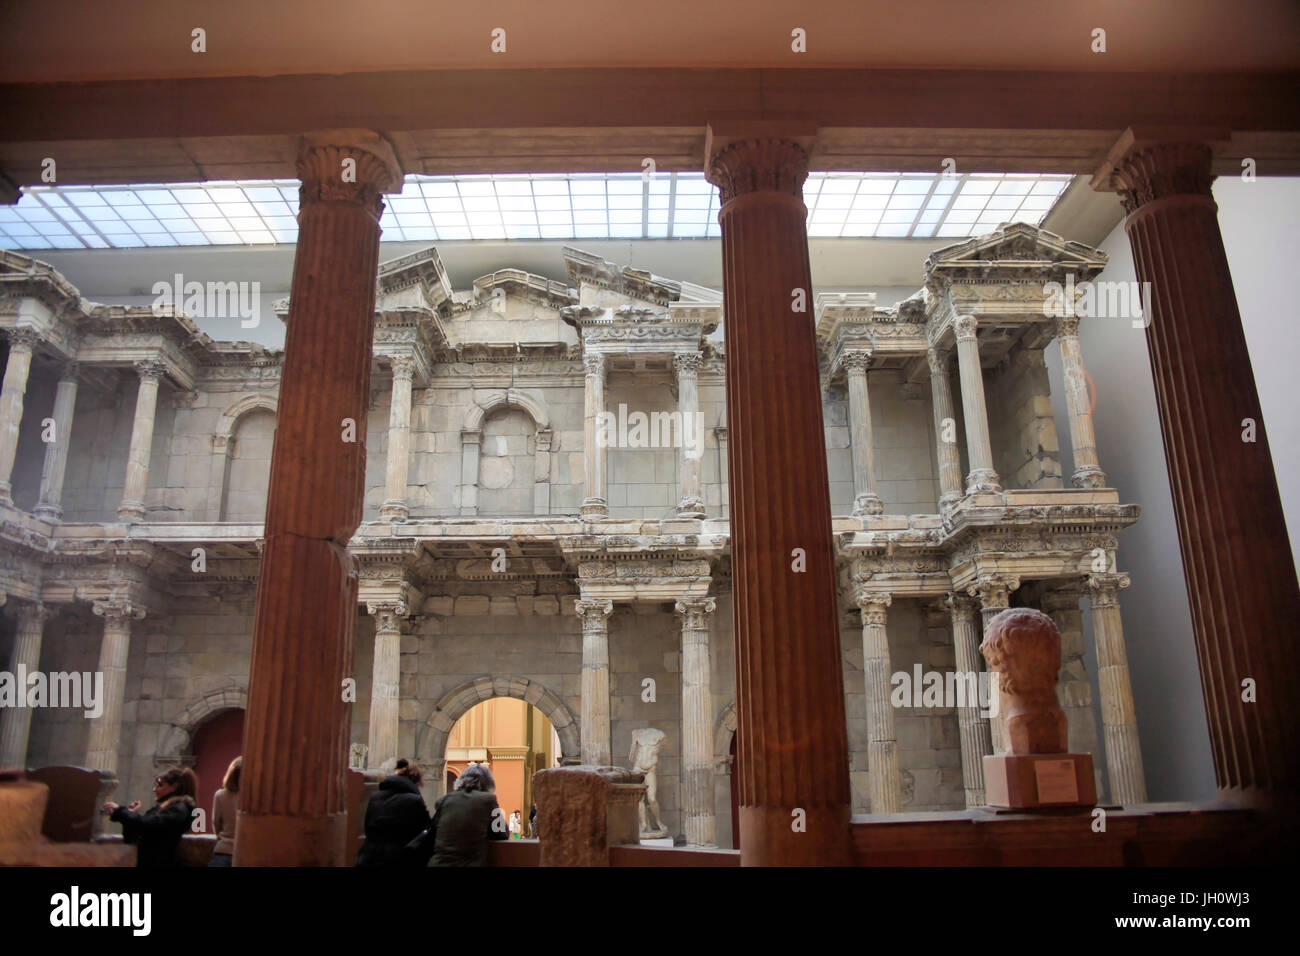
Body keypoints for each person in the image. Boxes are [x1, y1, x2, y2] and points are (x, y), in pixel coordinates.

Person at [411, 763, 507, 867]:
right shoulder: (488, 800)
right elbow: (501, 833)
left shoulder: (445, 800)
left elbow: (434, 829)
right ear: (489, 783)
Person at [103, 767, 198, 868]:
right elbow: (136, 836)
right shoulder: (167, 808)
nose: (154, 789)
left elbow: (149, 826)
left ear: (174, 787)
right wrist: (129, 814)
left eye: (160, 785)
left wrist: (122, 812)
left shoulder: (178, 809)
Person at [355, 758, 430, 867]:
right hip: (400, 859)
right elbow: (425, 829)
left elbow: (368, 828)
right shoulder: (415, 801)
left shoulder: (375, 797)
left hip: (369, 857)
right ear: (416, 781)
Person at [208, 756, 241, 867]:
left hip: (223, 850)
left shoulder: (220, 795)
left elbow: (216, 823)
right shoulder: (253, 797)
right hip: (245, 852)